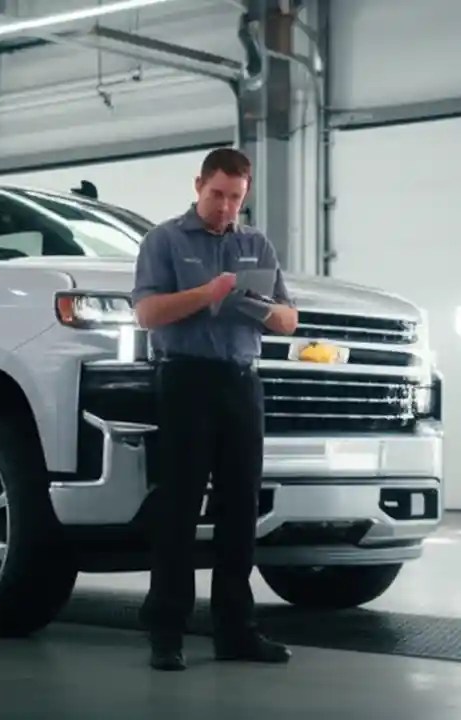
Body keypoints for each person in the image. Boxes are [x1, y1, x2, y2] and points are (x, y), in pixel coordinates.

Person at [130, 147, 300, 671]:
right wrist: (207, 293)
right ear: (198, 185)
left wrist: (260, 308)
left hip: (242, 383)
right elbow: (146, 312)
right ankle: (166, 631)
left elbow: (289, 319)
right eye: (217, 195)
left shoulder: (256, 244)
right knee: (179, 506)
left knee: (240, 509)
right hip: (185, 379)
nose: (226, 207)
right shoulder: (164, 241)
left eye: (236, 198)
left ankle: (236, 630)